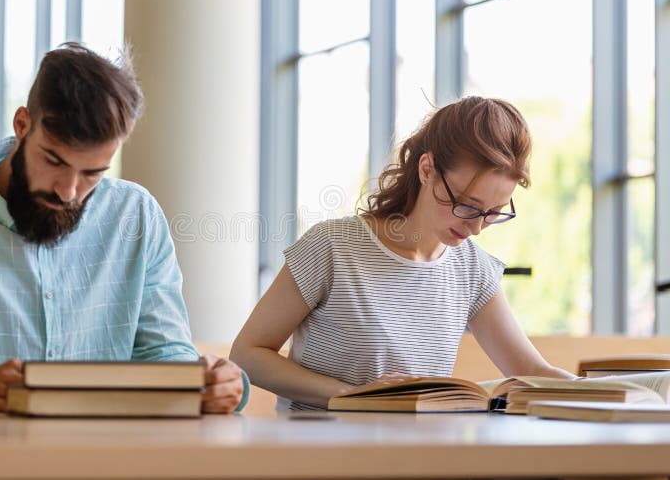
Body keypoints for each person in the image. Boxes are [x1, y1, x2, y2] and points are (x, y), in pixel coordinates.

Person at [0, 43, 246, 413]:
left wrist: (211, 382)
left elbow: (165, 353)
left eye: (93, 172)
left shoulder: (136, 214)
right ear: (22, 125)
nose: (68, 191)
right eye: (53, 160)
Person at [230, 96, 575, 411]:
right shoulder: (332, 246)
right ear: (427, 169)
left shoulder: (473, 269)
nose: (476, 228)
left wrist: (608, 395)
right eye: (467, 206)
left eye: (494, 212)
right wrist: (352, 396)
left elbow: (531, 371)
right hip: (322, 462)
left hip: (418, 461)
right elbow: (248, 355)